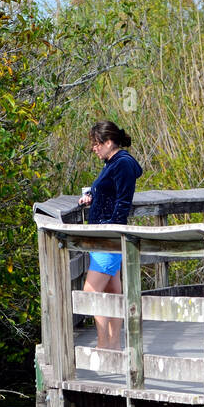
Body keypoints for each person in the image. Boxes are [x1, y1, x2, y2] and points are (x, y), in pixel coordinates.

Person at [78, 121, 143, 349]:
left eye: (96, 144)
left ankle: (104, 343)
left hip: (109, 236)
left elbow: (123, 203)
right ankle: (114, 344)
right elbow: (108, 193)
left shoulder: (122, 164)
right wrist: (91, 196)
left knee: (91, 290)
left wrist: (112, 233)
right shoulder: (111, 163)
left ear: (108, 142)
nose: (93, 148)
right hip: (103, 236)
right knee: (112, 291)